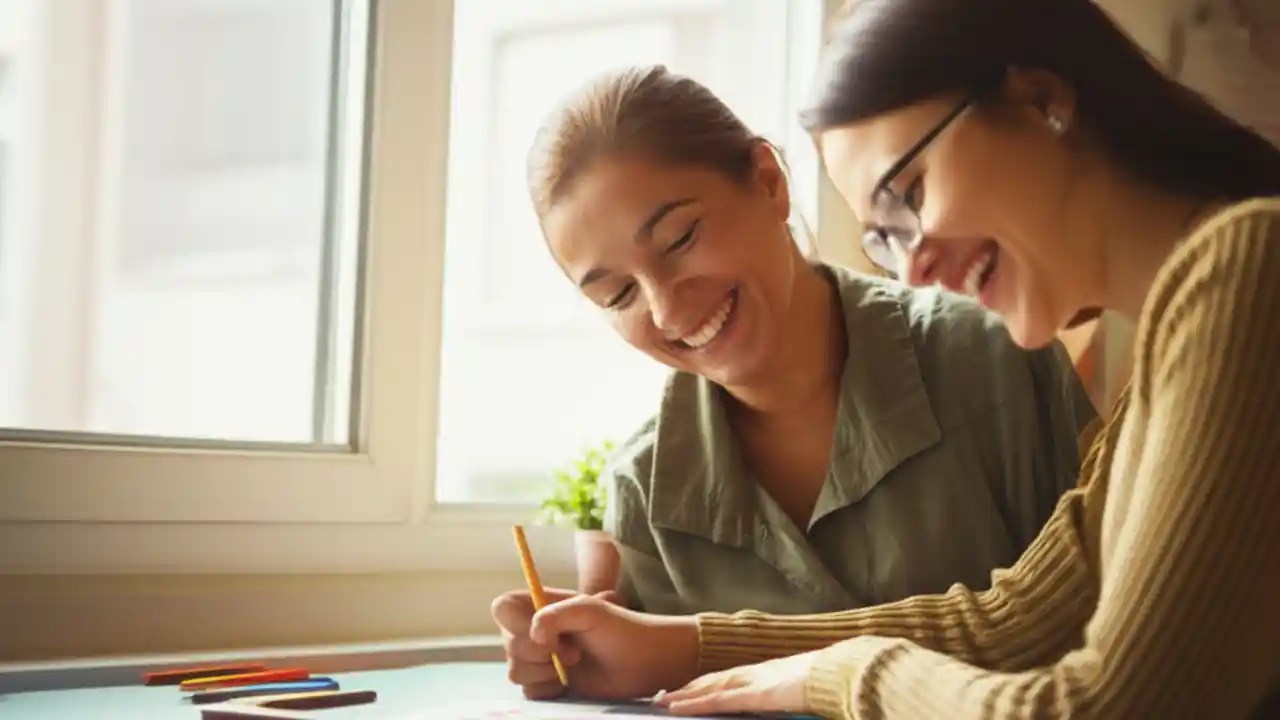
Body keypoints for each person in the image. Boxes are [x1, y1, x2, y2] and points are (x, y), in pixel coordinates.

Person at [496, 1, 1280, 718]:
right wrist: (683, 646)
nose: (913, 271)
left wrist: (843, 673)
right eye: (884, 232)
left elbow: (1105, 706)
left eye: (910, 192)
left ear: (1043, 103)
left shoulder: (1248, 268)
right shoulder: (1177, 342)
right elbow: (1015, 618)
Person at [493, 57, 1094, 683]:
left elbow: (1092, 637)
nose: (667, 309)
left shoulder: (993, 360)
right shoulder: (645, 494)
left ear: (768, 182)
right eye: (618, 295)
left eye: (679, 239)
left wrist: (700, 647)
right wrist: (576, 662)